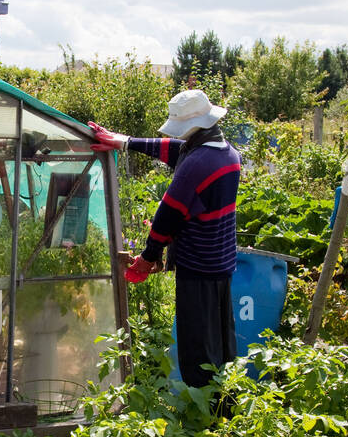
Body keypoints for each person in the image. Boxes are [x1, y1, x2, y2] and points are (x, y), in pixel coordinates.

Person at [90, 89, 240, 387]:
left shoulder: (198, 165)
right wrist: (126, 142)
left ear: (193, 128)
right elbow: (173, 149)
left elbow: (167, 216)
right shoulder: (225, 153)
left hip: (197, 269)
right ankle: (225, 413)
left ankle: (205, 419)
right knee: (221, 347)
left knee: (197, 353)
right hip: (220, 265)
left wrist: (148, 257)